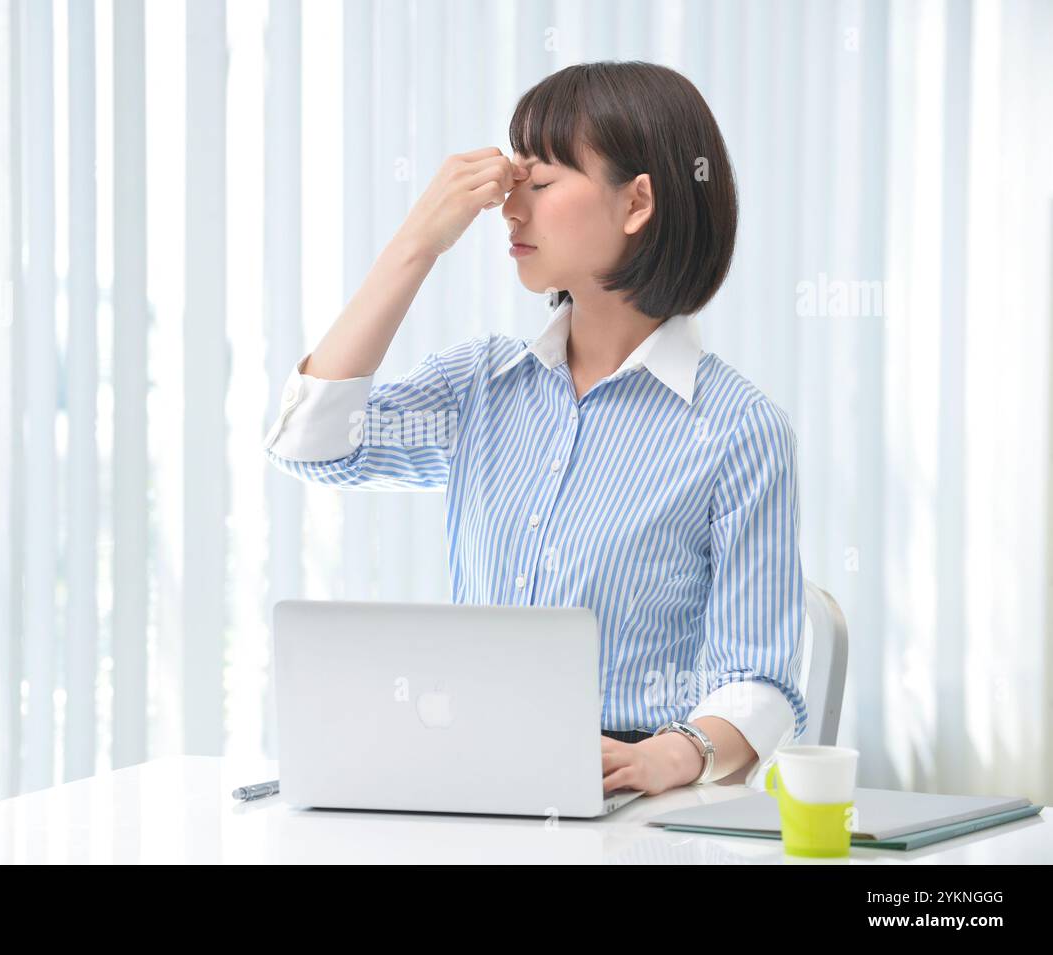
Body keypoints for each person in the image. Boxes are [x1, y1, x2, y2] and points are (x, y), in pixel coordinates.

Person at [263, 61, 806, 796]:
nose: (510, 211)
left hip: (626, 797)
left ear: (637, 201)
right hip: (470, 780)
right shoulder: (483, 384)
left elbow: (758, 679)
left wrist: (668, 756)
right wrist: (418, 240)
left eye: (541, 184)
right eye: (511, 185)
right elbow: (313, 445)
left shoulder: (739, 430)